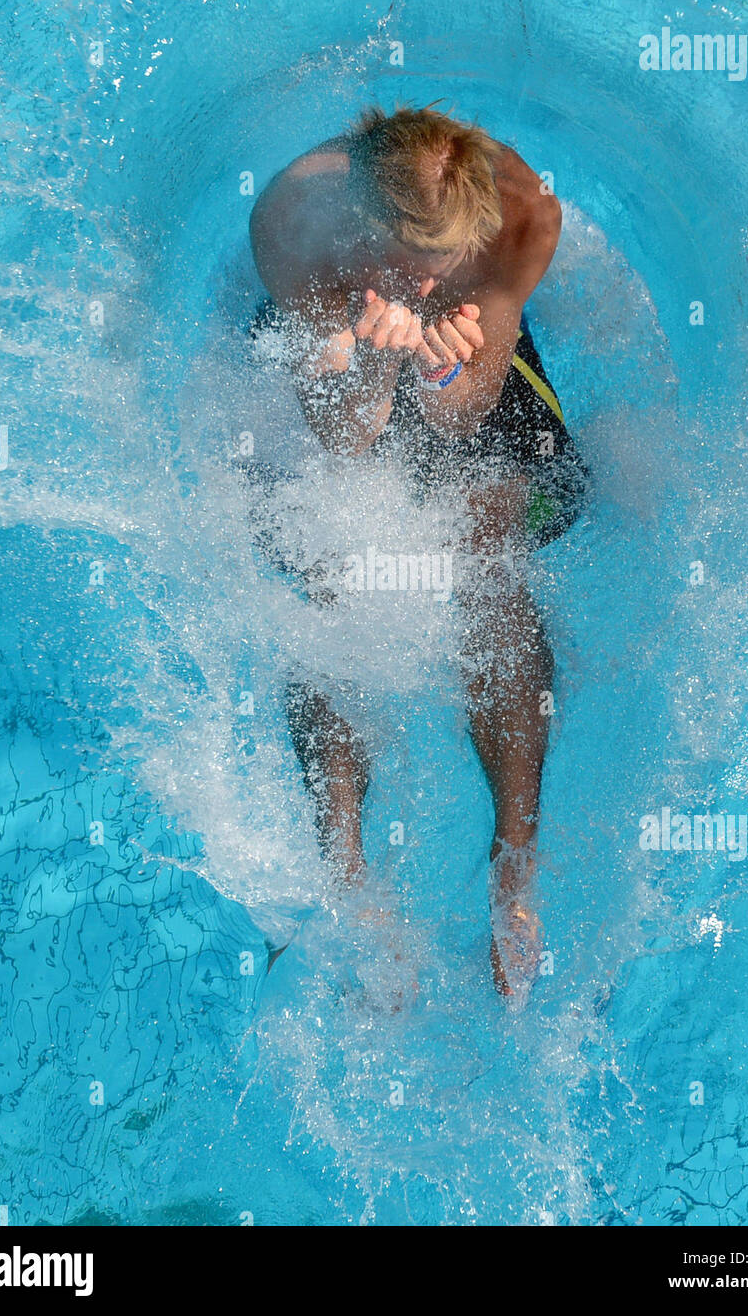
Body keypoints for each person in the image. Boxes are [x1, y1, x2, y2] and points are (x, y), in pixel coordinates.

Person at [248, 103, 587, 1001]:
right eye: (402, 268)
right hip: (335, 359)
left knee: (489, 547)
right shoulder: (293, 220)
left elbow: (462, 419)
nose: (421, 286)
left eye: (437, 271)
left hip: (467, 375)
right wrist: (372, 364)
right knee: (328, 562)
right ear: (359, 224)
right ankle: (346, 868)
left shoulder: (519, 217)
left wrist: (438, 367)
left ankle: (513, 856)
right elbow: (344, 441)